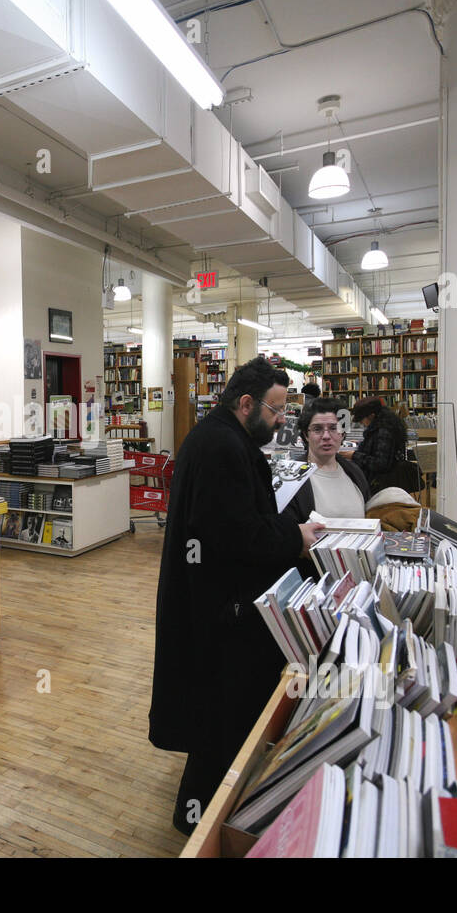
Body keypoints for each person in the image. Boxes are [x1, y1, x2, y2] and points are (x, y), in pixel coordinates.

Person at [150, 356, 325, 836]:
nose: (283, 419)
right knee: (222, 717)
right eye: (275, 410)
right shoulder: (222, 447)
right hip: (222, 611)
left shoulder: (221, 438)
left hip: (217, 604)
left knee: (223, 718)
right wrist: (295, 537)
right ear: (246, 403)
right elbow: (235, 536)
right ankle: (202, 823)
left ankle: (209, 813)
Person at [284, 397, 370, 526]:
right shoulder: (291, 477)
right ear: (306, 435)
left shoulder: (355, 473)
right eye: (317, 429)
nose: (326, 436)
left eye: (333, 428)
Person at [350, 397, 410, 494]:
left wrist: (353, 455)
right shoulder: (385, 425)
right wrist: (362, 444)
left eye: (362, 419)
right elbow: (377, 448)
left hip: (380, 485)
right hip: (381, 483)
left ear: (371, 416)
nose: (361, 423)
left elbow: (380, 464)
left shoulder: (384, 431)